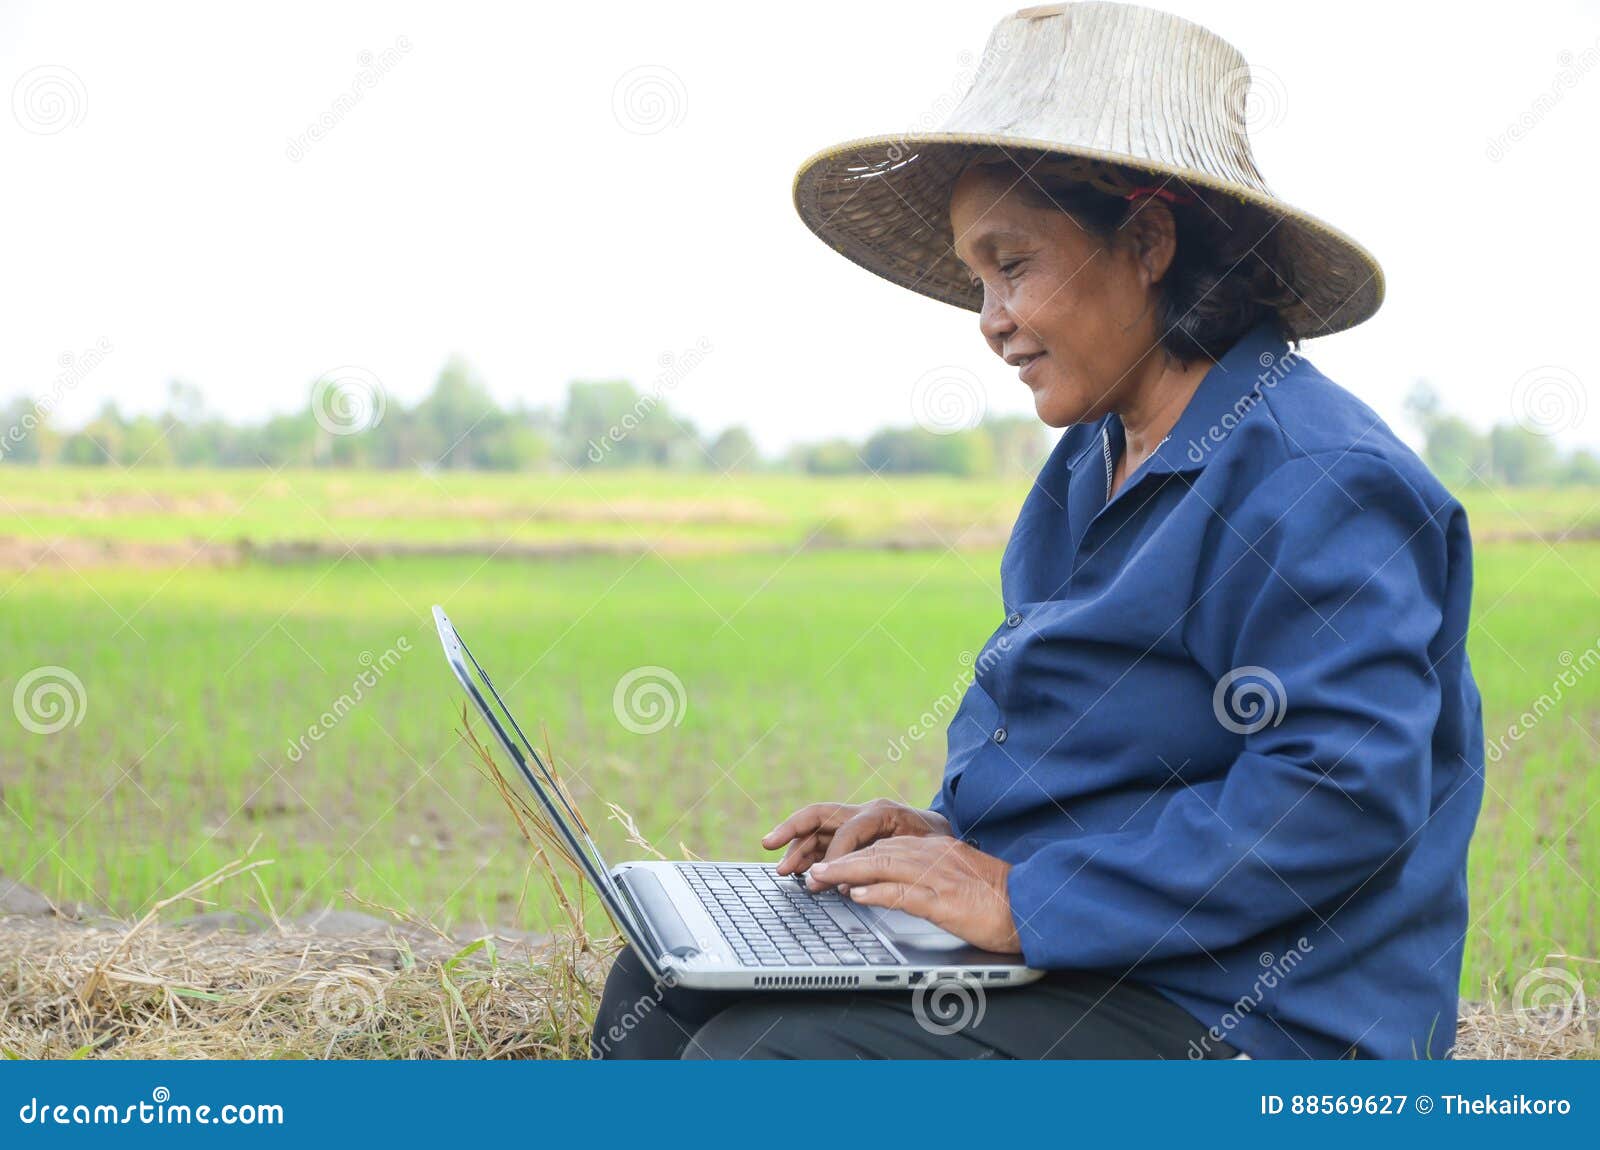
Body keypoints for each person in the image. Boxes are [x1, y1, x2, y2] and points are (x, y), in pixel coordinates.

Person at [591, 1, 1484, 1060]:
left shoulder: (1314, 476)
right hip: (1105, 963)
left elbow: (1337, 789)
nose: (990, 319)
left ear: (1146, 240)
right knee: (657, 993)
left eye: (1011, 266)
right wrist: (949, 843)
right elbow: (1103, 753)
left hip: (1253, 1019)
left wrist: (1025, 899)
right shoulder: (1085, 466)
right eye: (977, 280)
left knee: (767, 1061)